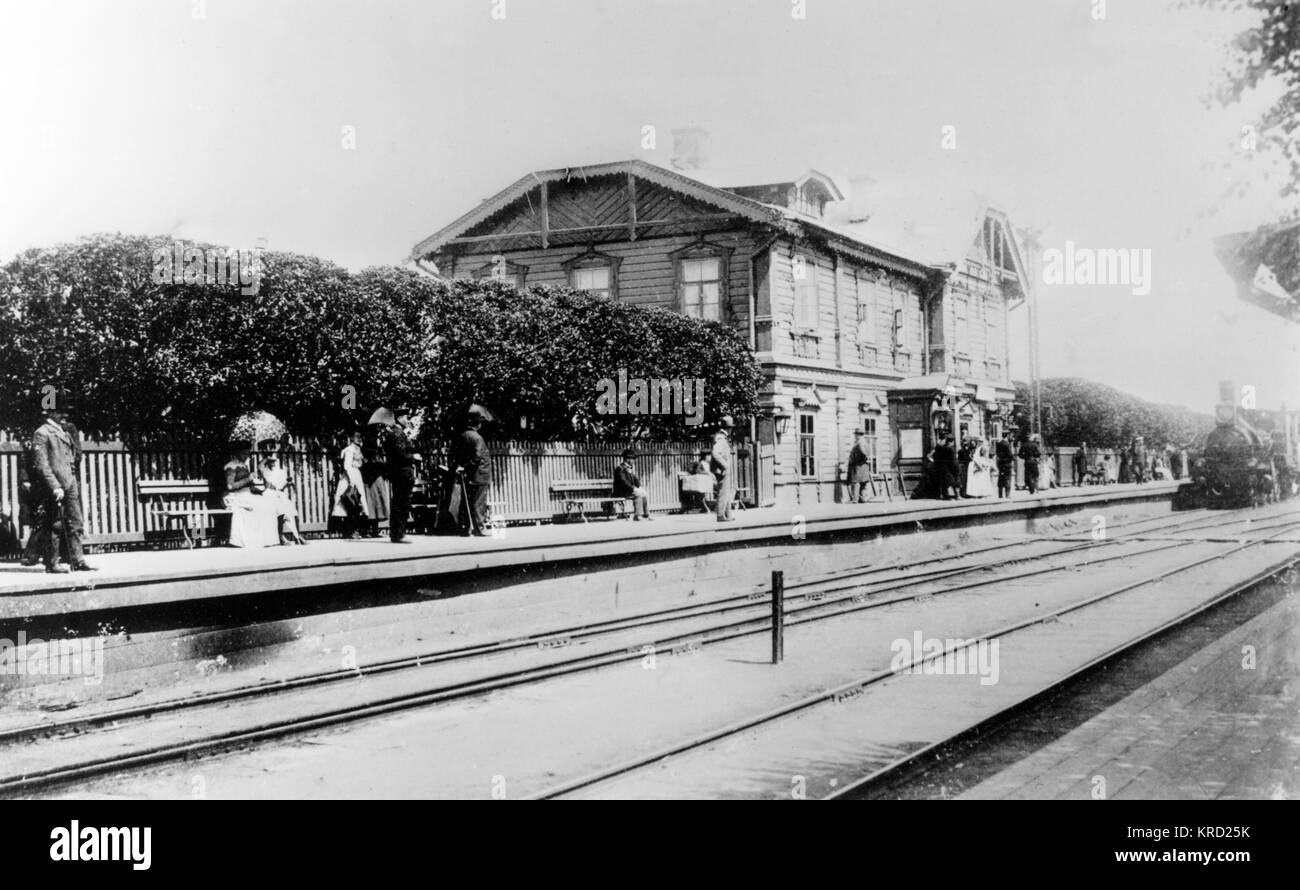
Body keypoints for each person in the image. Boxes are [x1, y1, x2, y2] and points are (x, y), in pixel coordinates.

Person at [29, 405, 95, 573]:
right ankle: (52, 564)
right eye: (60, 412)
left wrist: (72, 480)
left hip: (70, 482)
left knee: (75, 521)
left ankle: (77, 560)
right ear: (50, 413)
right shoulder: (42, 433)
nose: (65, 415)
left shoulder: (63, 431)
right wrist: (55, 486)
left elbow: (71, 457)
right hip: (56, 485)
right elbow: (42, 465)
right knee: (55, 523)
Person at [223, 443, 280, 548]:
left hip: (246, 494)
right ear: (237, 453)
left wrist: (260, 491)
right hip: (235, 496)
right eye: (244, 454)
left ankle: (266, 540)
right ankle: (248, 540)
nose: (246, 456)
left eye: (247, 454)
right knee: (258, 505)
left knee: (269, 505)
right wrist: (248, 479)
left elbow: (249, 486)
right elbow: (230, 486)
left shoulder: (244, 466)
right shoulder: (230, 467)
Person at [452, 410, 492, 536]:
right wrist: (467, 466)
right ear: (478, 424)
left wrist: (462, 467)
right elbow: (477, 456)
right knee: (478, 502)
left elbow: (459, 455)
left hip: (468, 475)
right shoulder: (477, 437)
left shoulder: (463, 435)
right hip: (480, 474)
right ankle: (479, 528)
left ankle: (465, 528)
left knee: (467, 502)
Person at [259, 441, 307, 545]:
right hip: (269, 495)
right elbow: (261, 468)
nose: (273, 463)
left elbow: (281, 486)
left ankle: (297, 535)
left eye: (274, 461)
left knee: (293, 512)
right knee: (280, 512)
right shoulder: (265, 470)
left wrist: (288, 483)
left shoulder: (279, 470)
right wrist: (266, 458)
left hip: (279, 495)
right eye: (271, 461)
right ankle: (281, 537)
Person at [385, 407, 420, 543]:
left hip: (399, 473)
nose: (408, 420)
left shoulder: (398, 433)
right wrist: (414, 457)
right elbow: (400, 455)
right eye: (406, 417)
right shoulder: (397, 433)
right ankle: (399, 533)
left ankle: (397, 533)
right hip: (402, 473)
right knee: (402, 503)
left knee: (399, 502)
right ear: (399, 418)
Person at [613, 449, 652, 521]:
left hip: (628, 490)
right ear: (627, 459)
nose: (634, 461)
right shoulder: (620, 468)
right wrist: (634, 489)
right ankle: (637, 515)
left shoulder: (629, 468)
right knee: (638, 494)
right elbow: (623, 482)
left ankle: (646, 515)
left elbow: (635, 479)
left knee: (644, 494)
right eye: (633, 459)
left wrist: (639, 487)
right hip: (621, 491)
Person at [711, 416, 736, 522]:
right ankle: (720, 515)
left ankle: (727, 515)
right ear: (728, 428)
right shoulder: (720, 438)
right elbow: (715, 454)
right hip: (721, 470)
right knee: (722, 492)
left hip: (723, 470)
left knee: (726, 492)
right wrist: (725, 465)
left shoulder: (722, 438)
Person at [845, 430, 872, 504]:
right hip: (864, 466)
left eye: (855, 435)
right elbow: (867, 453)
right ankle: (862, 498)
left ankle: (855, 499)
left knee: (856, 483)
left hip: (858, 466)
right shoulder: (865, 442)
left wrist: (862, 458)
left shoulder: (859, 443)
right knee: (863, 483)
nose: (854, 436)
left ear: (857, 435)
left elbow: (863, 453)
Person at [932, 434, 959, 500]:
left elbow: (935, 456)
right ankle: (950, 496)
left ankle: (945, 496)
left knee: (944, 482)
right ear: (952, 442)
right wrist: (955, 468)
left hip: (941, 467)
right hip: (948, 468)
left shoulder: (941, 448)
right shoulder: (950, 449)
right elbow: (952, 461)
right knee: (950, 482)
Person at [995, 431, 1016, 498]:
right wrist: (1013, 458)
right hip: (1007, 464)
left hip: (1000, 464)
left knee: (1001, 479)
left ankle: (1000, 495)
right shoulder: (1007, 444)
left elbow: (997, 454)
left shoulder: (999, 443)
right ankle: (1007, 495)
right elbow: (1010, 454)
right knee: (1008, 478)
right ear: (1007, 436)